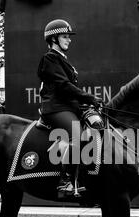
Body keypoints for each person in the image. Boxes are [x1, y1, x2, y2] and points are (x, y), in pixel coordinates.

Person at [38, 19, 102, 197]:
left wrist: (86, 105)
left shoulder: (63, 60)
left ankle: (86, 179)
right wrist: (88, 97)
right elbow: (63, 86)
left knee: (94, 128)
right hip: (55, 108)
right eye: (65, 36)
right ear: (53, 39)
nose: (69, 39)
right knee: (77, 133)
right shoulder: (49, 58)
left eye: (68, 36)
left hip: (68, 107)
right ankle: (64, 182)